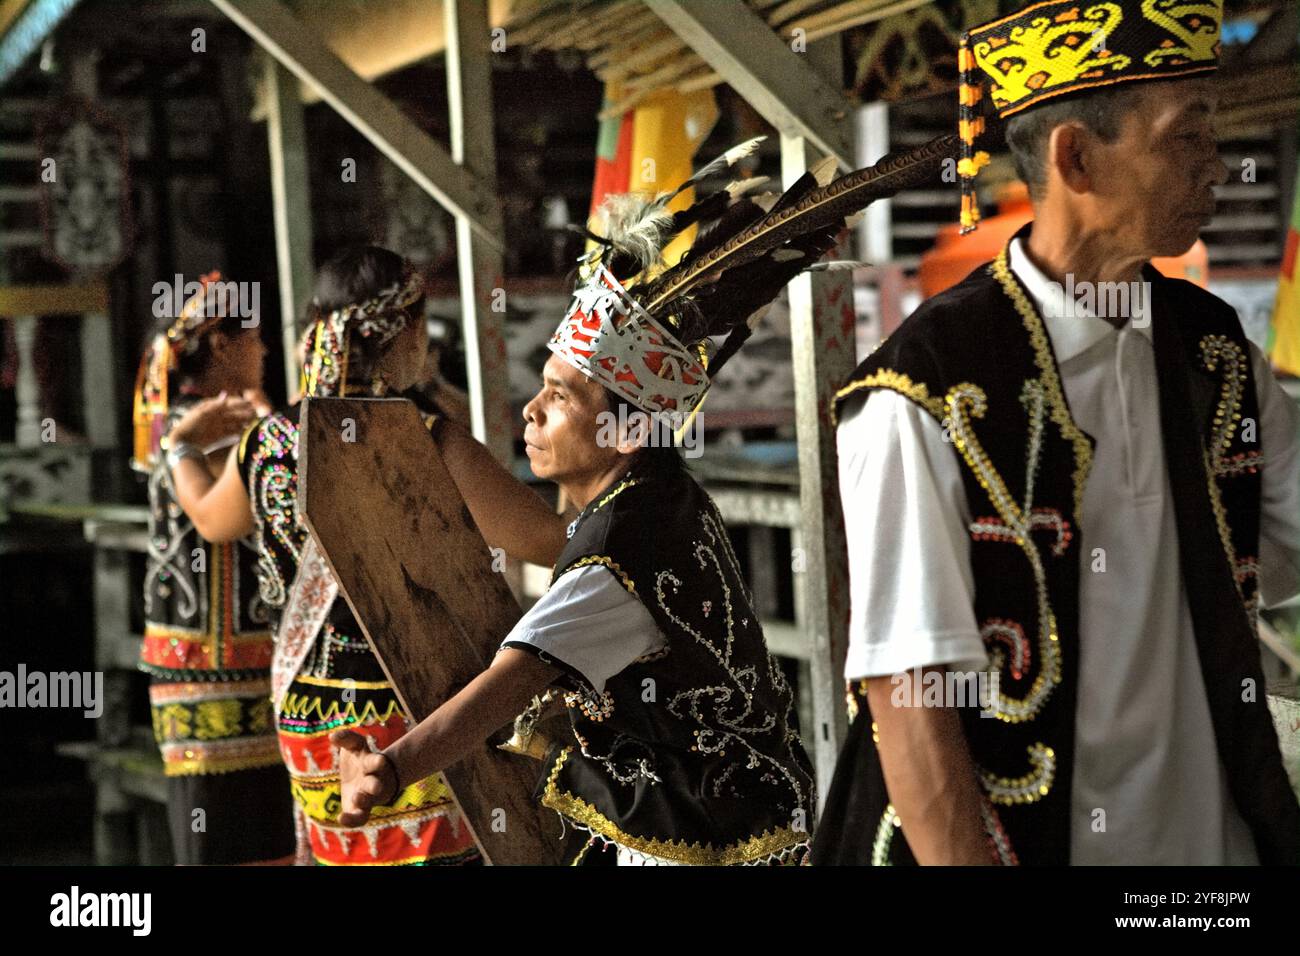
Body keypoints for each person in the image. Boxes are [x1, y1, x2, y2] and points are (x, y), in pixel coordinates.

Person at [331, 135, 949, 864]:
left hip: (699, 837)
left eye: (558, 397)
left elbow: (511, 685)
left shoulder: (611, 559)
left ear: (626, 429)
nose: (531, 412)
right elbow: (552, 572)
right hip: (741, 817)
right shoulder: (657, 500)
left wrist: (392, 766)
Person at [812, 0, 1300, 865]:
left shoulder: (1214, 352)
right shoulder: (922, 391)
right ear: (1076, 155)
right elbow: (909, 696)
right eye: (1187, 137)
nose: (1219, 166)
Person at [166, 246, 567, 865]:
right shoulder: (424, 442)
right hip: (413, 711)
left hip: (307, 715)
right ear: (402, 333)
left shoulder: (267, 443)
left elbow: (210, 521)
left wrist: (179, 450)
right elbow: (550, 542)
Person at [131, 270, 293, 865]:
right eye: (253, 336)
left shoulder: (185, 426)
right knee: (230, 839)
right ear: (222, 345)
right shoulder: (199, 430)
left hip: (231, 670)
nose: (266, 349)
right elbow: (234, 510)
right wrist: (271, 427)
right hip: (211, 675)